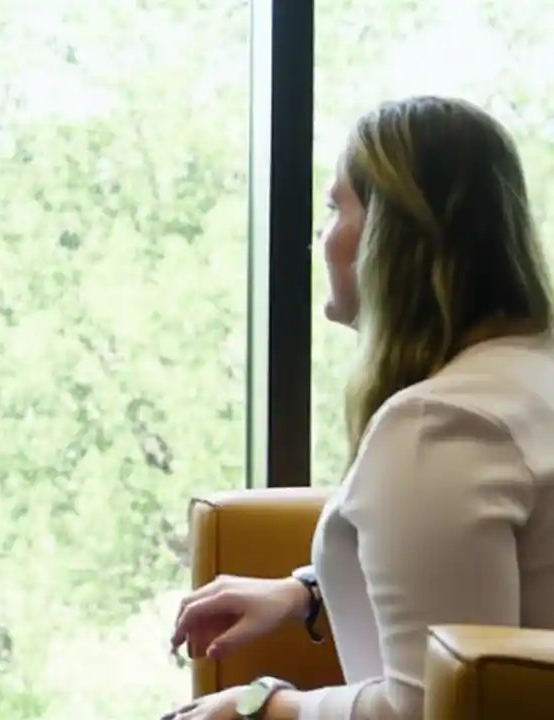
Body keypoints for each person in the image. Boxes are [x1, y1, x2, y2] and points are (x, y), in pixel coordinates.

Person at [163, 95, 554, 719]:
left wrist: (257, 707)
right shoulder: (528, 380)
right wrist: (309, 591)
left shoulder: (440, 425)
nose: (322, 238)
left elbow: (427, 710)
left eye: (334, 208)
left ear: (388, 238)